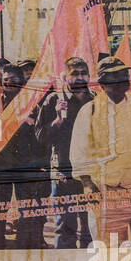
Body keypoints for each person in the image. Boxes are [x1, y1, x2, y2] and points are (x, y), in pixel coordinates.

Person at [70, 55, 131, 243]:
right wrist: (87, 184)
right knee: (112, 249)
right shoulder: (89, 111)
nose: (120, 81)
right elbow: (79, 151)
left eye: (123, 75)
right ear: (102, 84)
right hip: (109, 192)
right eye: (113, 78)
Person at [0, 63, 49, 249]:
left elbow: (40, 135)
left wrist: (28, 122)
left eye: (15, 81)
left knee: (26, 207)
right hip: (0, 164)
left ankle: (25, 241)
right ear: (1, 82)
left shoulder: (31, 105)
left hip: (25, 164)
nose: (10, 84)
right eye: (6, 81)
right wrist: (0, 122)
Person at [36, 57, 94, 249]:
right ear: (64, 77)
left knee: (91, 229)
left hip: (90, 175)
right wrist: (57, 121)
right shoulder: (54, 100)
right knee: (65, 228)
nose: (80, 77)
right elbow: (40, 138)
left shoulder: (96, 101)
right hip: (64, 175)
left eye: (83, 73)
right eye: (74, 74)